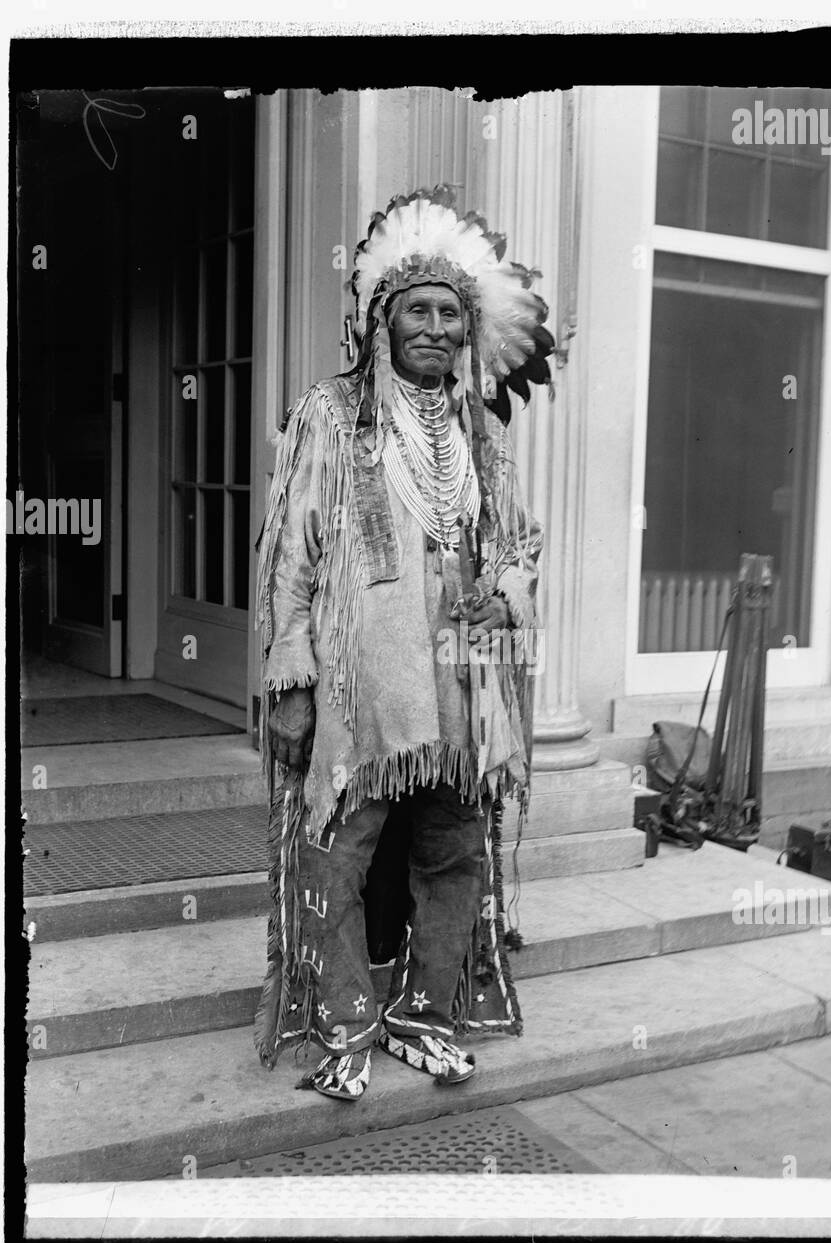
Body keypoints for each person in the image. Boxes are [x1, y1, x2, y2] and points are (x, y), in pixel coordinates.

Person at [252, 184, 553, 1101]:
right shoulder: (331, 418)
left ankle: (425, 1013)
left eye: (451, 316)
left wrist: (506, 590)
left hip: (463, 685)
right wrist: (292, 676)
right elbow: (289, 556)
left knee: (455, 847)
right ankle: (344, 1021)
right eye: (416, 311)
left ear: (468, 334)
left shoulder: (479, 436)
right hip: (364, 688)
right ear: (381, 319)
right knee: (337, 848)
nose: (435, 329)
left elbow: (516, 539)